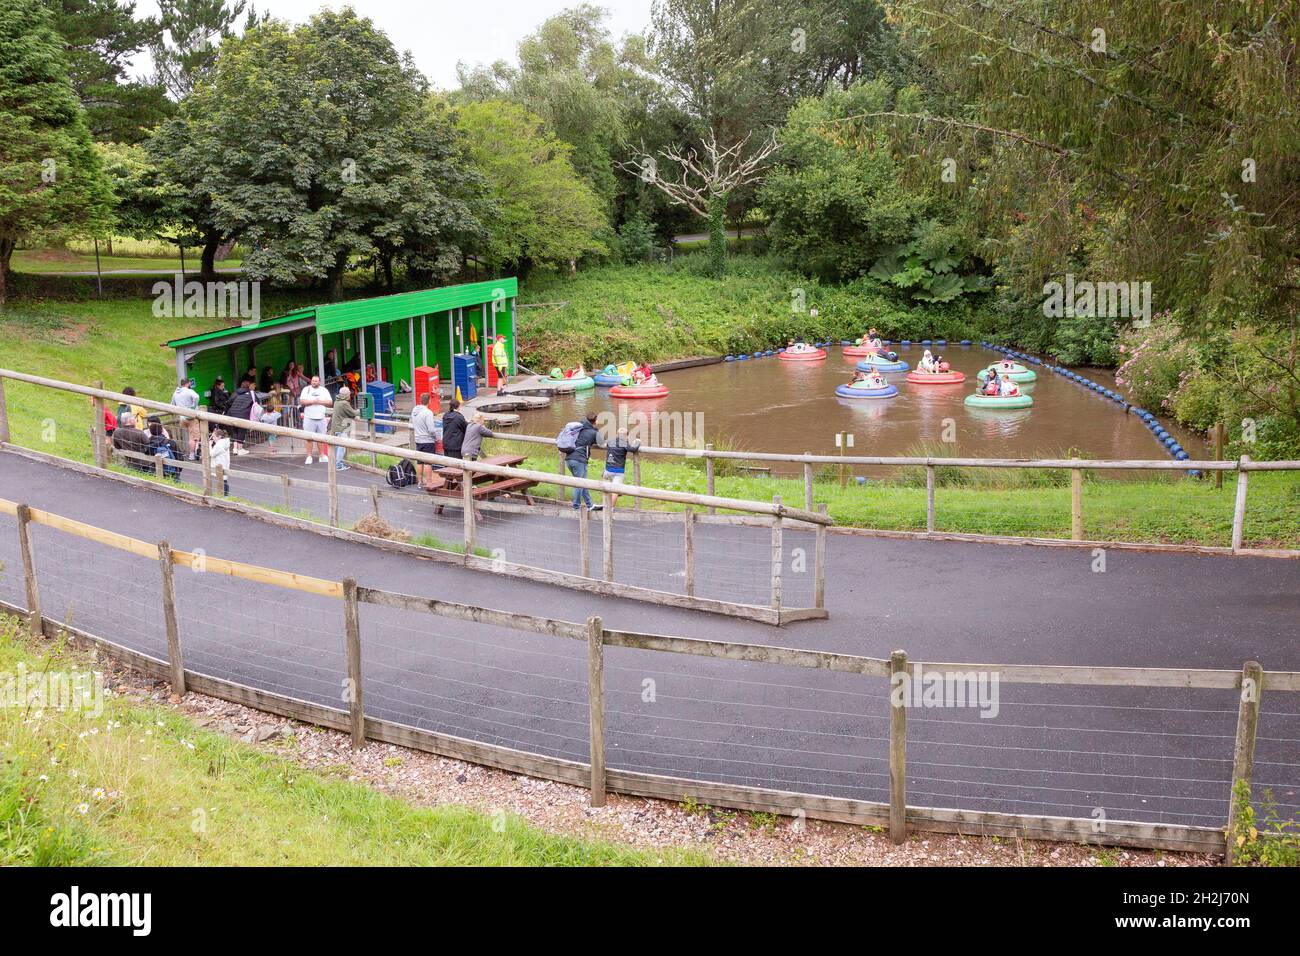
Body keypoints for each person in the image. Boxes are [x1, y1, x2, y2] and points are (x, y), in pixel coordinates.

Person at [565, 413, 602, 512]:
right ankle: (576, 508)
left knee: (583, 483)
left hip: (569, 458)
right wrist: (597, 430)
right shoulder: (593, 431)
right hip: (579, 460)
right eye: (597, 420)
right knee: (579, 484)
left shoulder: (579, 428)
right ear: (595, 421)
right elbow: (601, 443)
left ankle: (590, 505)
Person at [602, 427, 640, 509]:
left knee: (606, 489)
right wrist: (637, 442)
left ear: (617, 434)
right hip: (618, 471)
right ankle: (610, 508)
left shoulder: (610, 441)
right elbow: (633, 449)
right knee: (615, 491)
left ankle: (605, 506)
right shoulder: (624, 444)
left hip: (608, 469)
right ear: (626, 436)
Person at [411, 392, 442, 488]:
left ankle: (419, 481)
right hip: (428, 440)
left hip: (418, 439)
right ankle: (429, 482)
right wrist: (437, 437)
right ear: (429, 401)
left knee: (420, 462)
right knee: (428, 462)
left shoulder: (414, 411)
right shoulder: (428, 413)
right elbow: (431, 429)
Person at [299, 374, 332, 464]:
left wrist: (320, 402)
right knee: (309, 438)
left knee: (321, 438)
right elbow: (302, 401)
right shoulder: (306, 389)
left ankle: (322, 455)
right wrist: (313, 401)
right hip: (309, 417)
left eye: (316, 381)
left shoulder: (324, 390)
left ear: (319, 382)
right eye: (312, 381)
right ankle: (309, 456)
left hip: (321, 417)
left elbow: (330, 402)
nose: (314, 382)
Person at [328, 386, 359, 470]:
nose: (350, 395)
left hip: (337, 427)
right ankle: (338, 465)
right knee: (342, 447)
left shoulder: (337, 401)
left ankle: (337, 463)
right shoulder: (344, 403)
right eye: (349, 393)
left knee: (339, 447)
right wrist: (362, 409)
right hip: (341, 428)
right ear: (346, 394)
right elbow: (353, 413)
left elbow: (346, 413)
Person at [171, 377, 202, 460]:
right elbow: (196, 397)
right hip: (191, 417)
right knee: (193, 437)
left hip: (182, 418)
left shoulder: (175, 393)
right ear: (188, 383)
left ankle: (196, 449)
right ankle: (192, 454)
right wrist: (193, 406)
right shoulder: (189, 391)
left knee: (190, 435)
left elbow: (172, 404)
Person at [224, 378, 255, 455]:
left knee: (235, 431)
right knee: (241, 431)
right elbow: (256, 402)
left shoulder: (235, 393)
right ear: (249, 386)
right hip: (242, 414)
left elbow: (228, 402)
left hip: (232, 413)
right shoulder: (250, 394)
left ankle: (235, 449)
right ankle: (240, 449)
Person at [209, 427, 231, 496]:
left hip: (220, 464)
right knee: (224, 479)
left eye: (214, 436)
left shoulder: (219, 445)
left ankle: (224, 495)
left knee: (222, 480)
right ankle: (225, 495)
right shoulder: (224, 443)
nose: (212, 438)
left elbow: (212, 454)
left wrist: (209, 445)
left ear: (219, 437)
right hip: (224, 463)